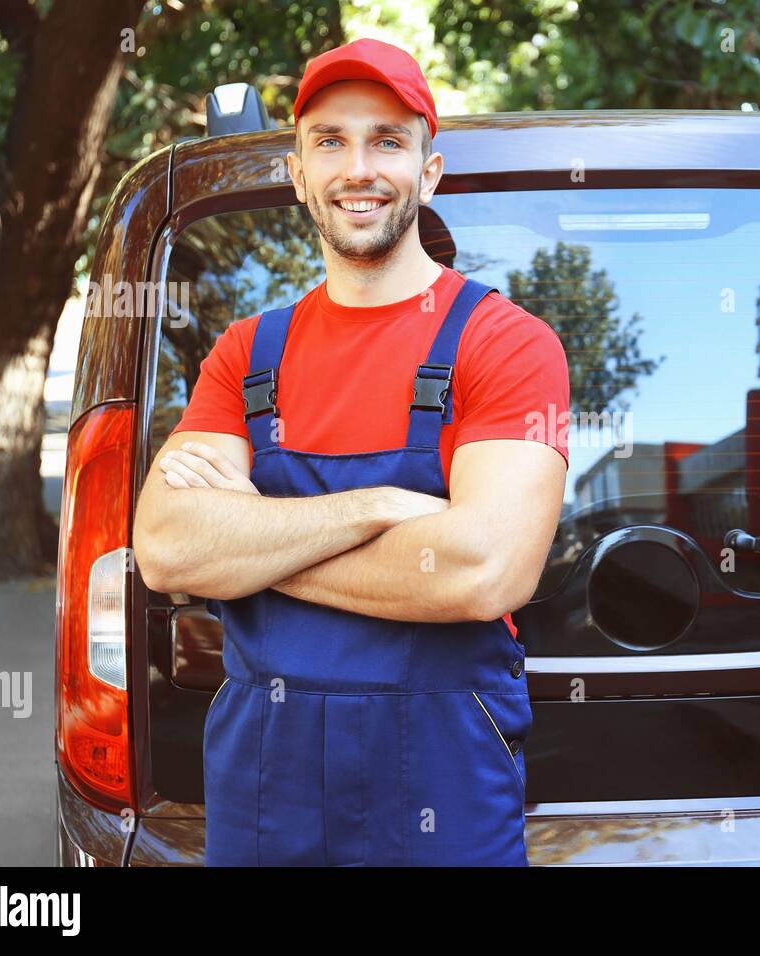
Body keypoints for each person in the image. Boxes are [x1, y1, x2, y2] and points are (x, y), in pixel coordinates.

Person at [132, 37, 569, 866]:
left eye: (387, 141)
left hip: (443, 781)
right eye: (329, 140)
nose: (356, 168)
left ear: (428, 172)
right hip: (267, 788)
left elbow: (485, 570)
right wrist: (378, 510)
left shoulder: (506, 343)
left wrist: (251, 538)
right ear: (298, 174)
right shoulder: (245, 355)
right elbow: (163, 548)